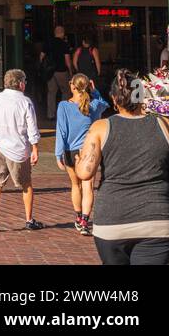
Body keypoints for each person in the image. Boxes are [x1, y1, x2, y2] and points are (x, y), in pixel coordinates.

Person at [76, 69, 169, 265]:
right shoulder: (166, 125)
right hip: (158, 220)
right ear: (143, 97)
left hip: (113, 221)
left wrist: (78, 161)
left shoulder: (101, 127)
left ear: (114, 98)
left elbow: (85, 173)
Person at [0, 69, 44, 232]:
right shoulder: (25, 102)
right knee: (26, 184)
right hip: (18, 149)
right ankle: (29, 220)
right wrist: (35, 148)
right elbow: (32, 129)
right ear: (21, 84)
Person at [56, 74, 108, 235]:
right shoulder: (94, 105)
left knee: (75, 185)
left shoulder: (64, 106)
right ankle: (85, 220)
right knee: (88, 187)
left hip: (70, 151)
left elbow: (61, 131)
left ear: (72, 86)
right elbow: (105, 104)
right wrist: (95, 91)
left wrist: (58, 153)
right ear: (87, 86)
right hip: (88, 151)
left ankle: (78, 217)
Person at [41, 25, 74, 119]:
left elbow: (41, 56)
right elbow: (67, 60)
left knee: (51, 93)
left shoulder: (48, 43)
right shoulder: (64, 44)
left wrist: (44, 68)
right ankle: (63, 114)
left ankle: (50, 115)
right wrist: (70, 71)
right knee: (66, 92)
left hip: (50, 72)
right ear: (62, 33)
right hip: (62, 71)